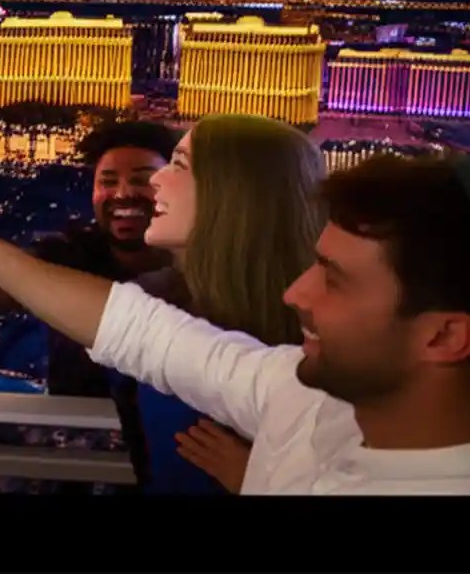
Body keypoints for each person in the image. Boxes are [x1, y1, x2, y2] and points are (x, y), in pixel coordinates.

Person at [0, 151, 470, 494]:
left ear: (445, 336)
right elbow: (140, 330)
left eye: (333, 279)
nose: (296, 293)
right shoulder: (306, 399)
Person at [0, 121, 177, 488]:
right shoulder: (68, 259)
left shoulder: (199, 273)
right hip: (78, 454)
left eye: (142, 180)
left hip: (169, 458)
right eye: (107, 181)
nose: (123, 193)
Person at [109, 114, 325, 494]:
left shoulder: (324, 333)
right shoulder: (154, 301)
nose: (156, 180)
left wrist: (263, 483)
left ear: (233, 193)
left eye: (178, 165)